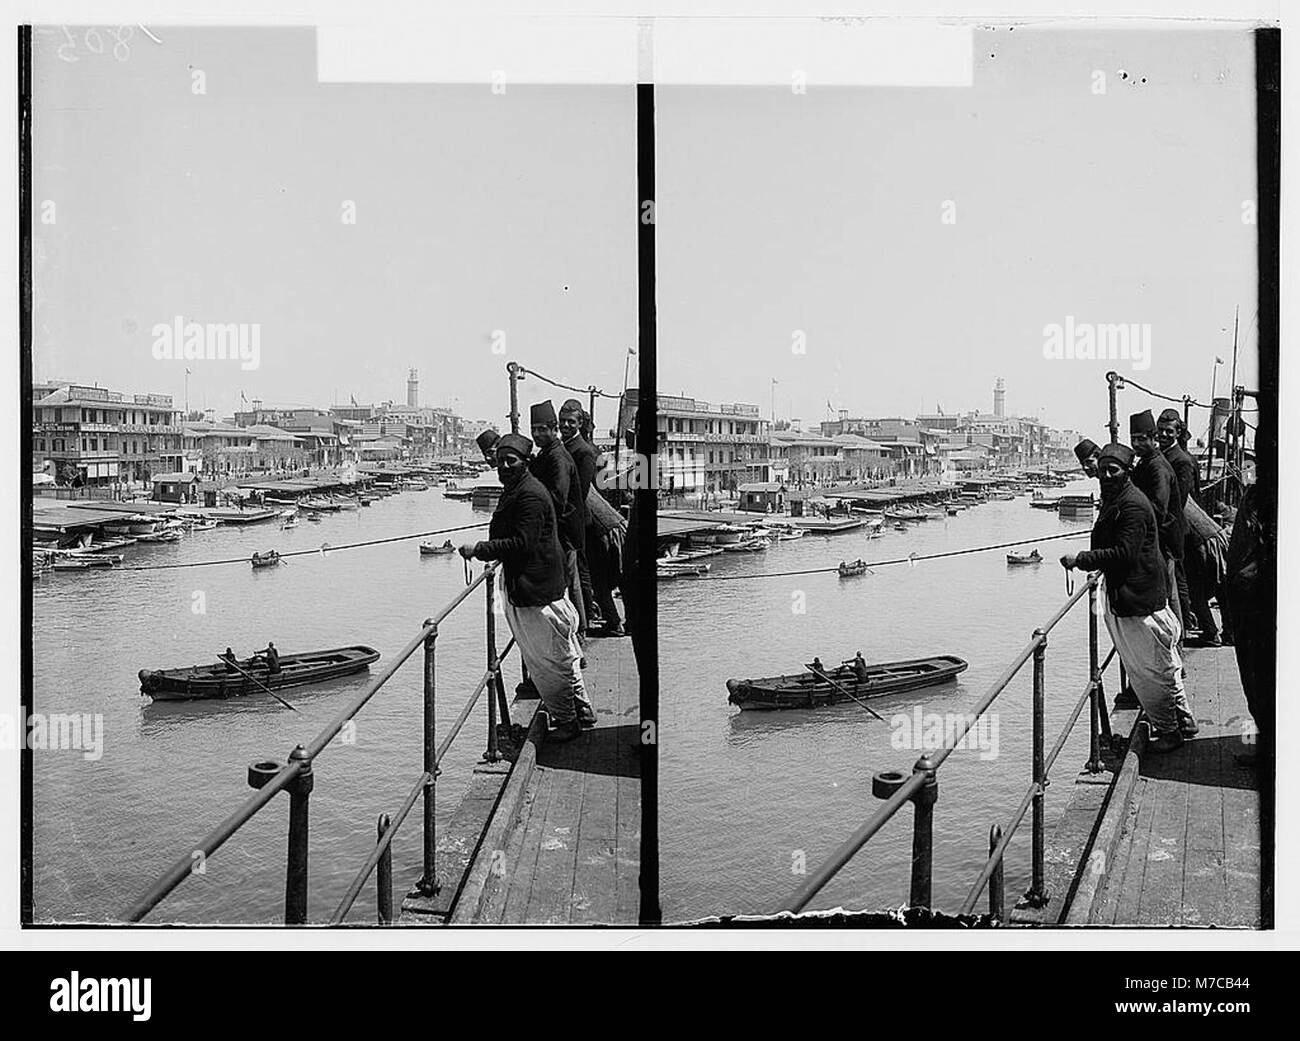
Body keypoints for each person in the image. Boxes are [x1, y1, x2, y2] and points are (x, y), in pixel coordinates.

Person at [459, 432, 593, 741]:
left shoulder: (530, 494)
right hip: (538, 584)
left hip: (536, 589)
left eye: (511, 460)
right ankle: (581, 711)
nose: (504, 466)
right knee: (561, 655)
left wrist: (479, 549)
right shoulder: (518, 488)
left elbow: (522, 542)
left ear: (525, 462)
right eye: (501, 461)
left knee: (547, 661)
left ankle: (568, 721)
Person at [1061, 443, 1193, 752]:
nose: (1106, 475)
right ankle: (1183, 720)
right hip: (1139, 594)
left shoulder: (1132, 504)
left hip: (1138, 598)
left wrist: (1080, 559)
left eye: (1113, 470)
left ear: (1126, 472)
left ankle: (1170, 730)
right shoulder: (1119, 498)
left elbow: (1124, 552)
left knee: (1148, 670)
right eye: (1103, 470)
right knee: (1162, 664)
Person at [529, 400, 589, 641]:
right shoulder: (548, 453)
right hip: (561, 529)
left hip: (564, 530)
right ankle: (577, 631)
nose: (537, 434)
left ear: (553, 429)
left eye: (542, 429)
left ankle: (579, 632)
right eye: (534, 429)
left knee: (569, 582)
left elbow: (558, 498)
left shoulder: (558, 458)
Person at [1129, 410, 1186, 639]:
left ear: (1153, 438)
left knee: (1169, 596)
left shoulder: (1157, 467)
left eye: (1142, 439)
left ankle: (1176, 646)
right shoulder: (1147, 462)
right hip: (1160, 538)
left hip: (1165, 539)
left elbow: (1158, 509)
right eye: (1133, 439)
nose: (1137, 444)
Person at [559, 399, 599, 626]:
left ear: (579, 422)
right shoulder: (566, 447)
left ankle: (587, 617)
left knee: (581, 569)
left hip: (578, 518)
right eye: (562, 421)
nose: (565, 425)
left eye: (570, 422)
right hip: (571, 517)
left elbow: (580, 492)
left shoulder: (583, 451)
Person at [1157, 409, 1198, 631]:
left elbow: (1178, 502)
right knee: (1175, 580)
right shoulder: (1162, 455)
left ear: (1177, 432)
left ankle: (1182, 627)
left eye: (1169, 431)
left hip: (1172, 529)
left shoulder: (1181, 461)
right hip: (1165, 528)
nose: (1163, 435)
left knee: (1178, 582)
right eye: (1160, 431)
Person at [584, 484, 627, 637]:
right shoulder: (582, 477)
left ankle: (613, 622)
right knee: (623, 579)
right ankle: (629, 623)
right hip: (616, 525)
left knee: (599, 581)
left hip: (602, 532)